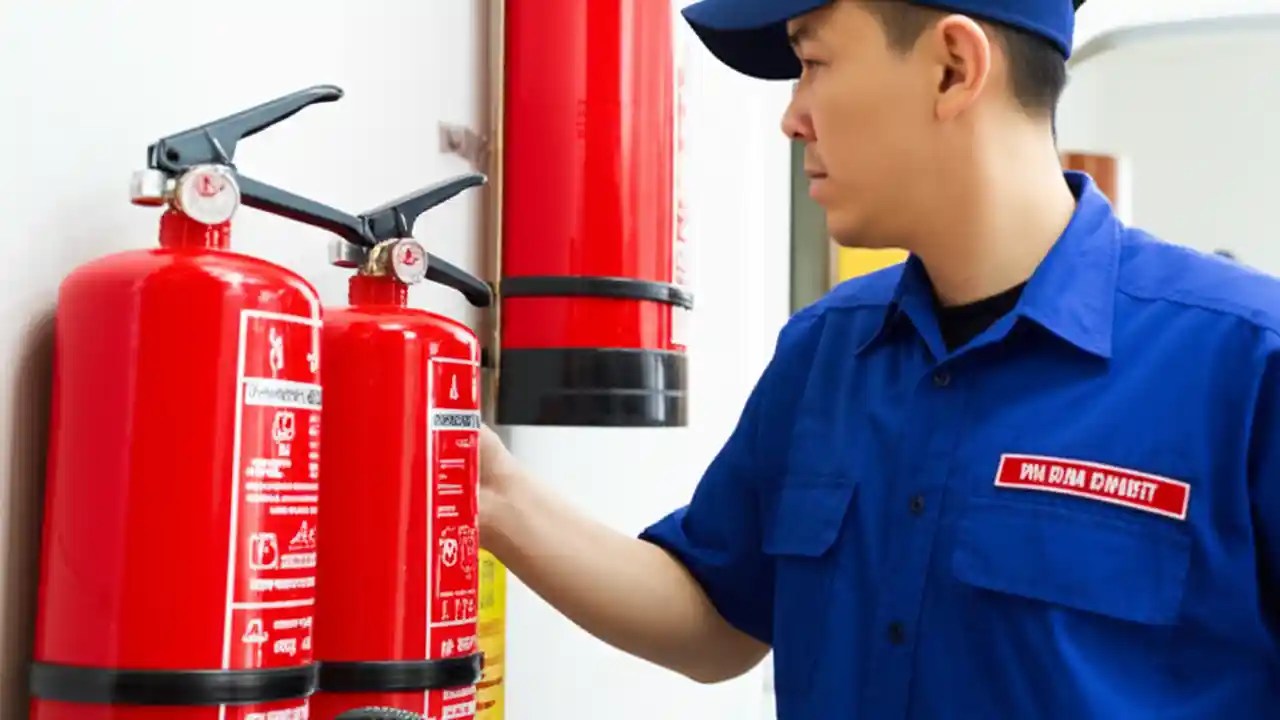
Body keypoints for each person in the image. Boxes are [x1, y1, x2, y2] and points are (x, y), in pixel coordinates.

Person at [479, 0, 1280, 716]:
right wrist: (493, 496)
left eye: (813, 63)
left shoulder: (1243, 362)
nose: (792, 117)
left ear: (952, 68)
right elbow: (717, 619)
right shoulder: (825, 351)